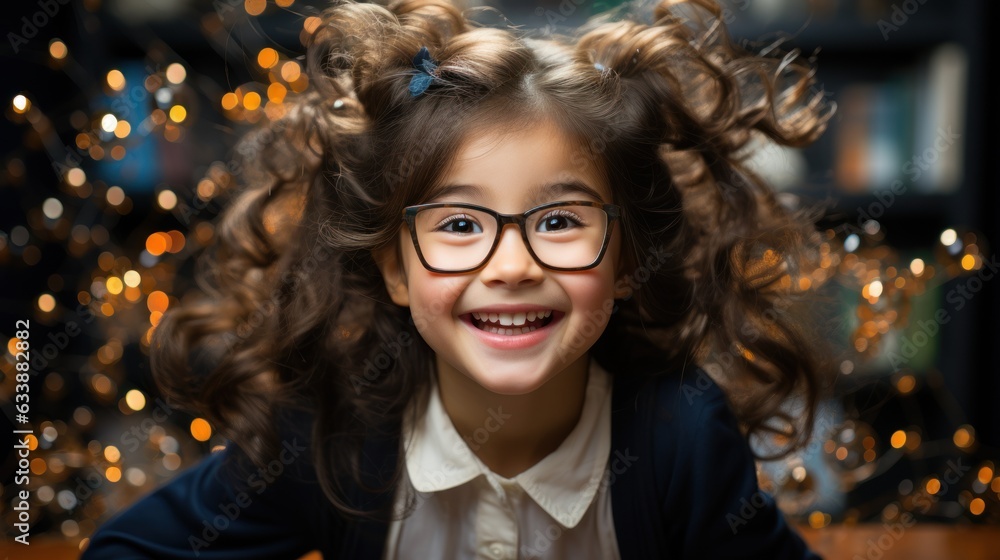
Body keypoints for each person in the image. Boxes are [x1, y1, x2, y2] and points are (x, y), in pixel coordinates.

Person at [82, 0, 834, 557]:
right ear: (394, 270)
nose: (512, 267)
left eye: (562, 222)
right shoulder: (329, 434)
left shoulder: (679, 438)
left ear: (629, 260)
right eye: (460, 225)